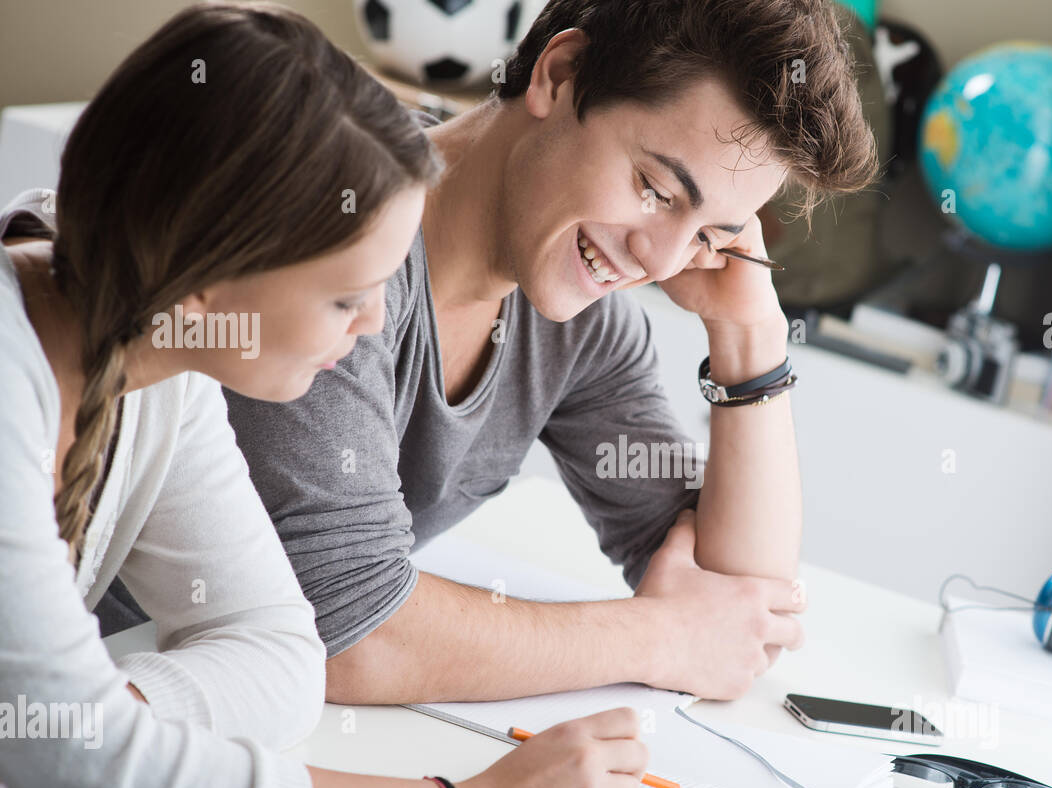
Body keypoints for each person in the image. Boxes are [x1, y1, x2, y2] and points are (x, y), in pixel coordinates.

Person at [0, 1, 645, 788]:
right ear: (203, 287)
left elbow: (279, 651)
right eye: (347, 296)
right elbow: (86, 770)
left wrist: (104, 718)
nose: (376, 323)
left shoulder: (164, 366)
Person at [213, 0, 880, 706]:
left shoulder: (582, 321)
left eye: (712, 235)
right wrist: (657, 636)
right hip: (129, 695)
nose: (659, 260)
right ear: (559, 75)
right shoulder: (344, 220)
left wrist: (752, 342)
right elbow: (341, 632)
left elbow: (740, 608)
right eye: (654, 189)